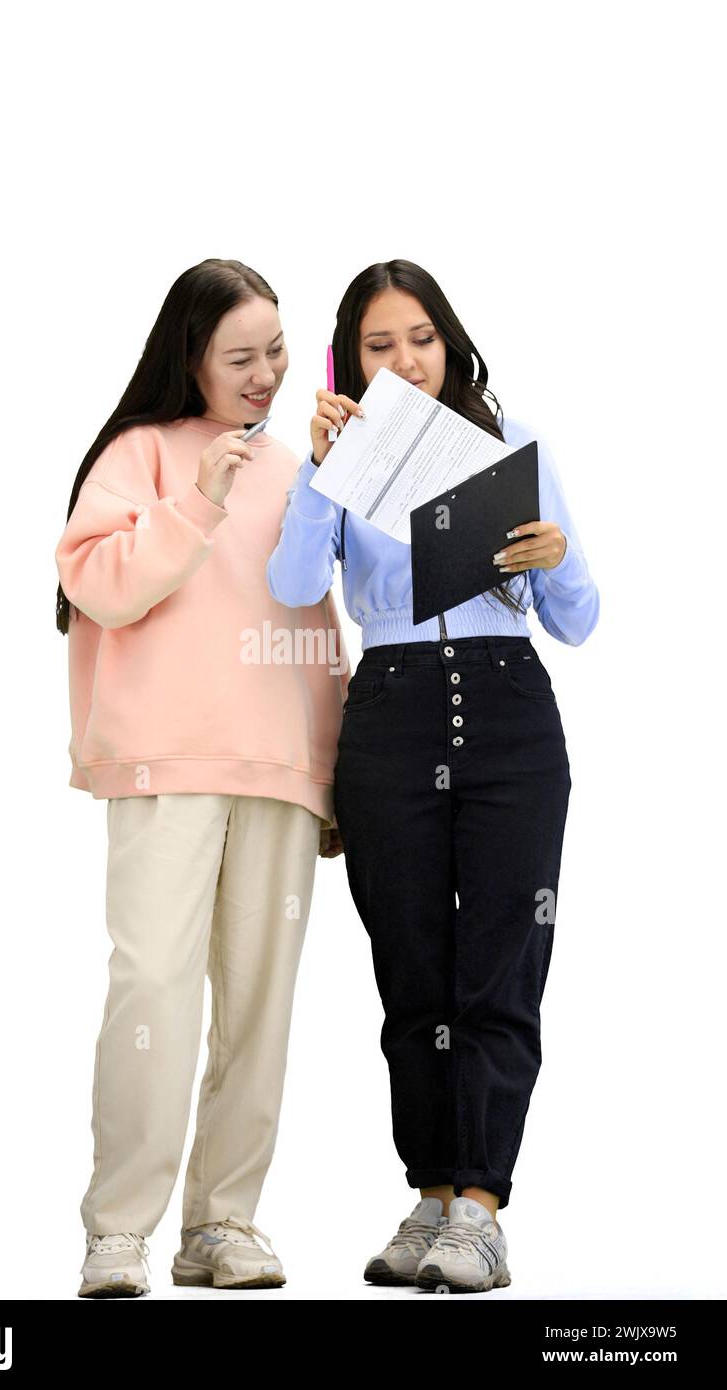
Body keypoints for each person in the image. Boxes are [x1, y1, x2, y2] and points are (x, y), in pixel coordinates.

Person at [266, 258, 599, 1294]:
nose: (402, 358)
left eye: (418, 336)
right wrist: (322, 473)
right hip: (392, 711)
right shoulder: (340, 463)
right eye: (377, 345)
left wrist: (547, 559)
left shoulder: (505, 448)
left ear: (447, 342)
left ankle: (480, 1207)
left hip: (507, 711)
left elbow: (579, 619)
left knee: (500, 960)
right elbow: (287, 584)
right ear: (348, 363)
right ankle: (427, 1190)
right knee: (412, 968)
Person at [54, 259, 348, 1296]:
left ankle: (222, 1222)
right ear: (189, 356)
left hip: (278, 770)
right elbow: (93, 578)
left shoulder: (299, 465)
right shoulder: (138, 452)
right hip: (164, 763)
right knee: (154, 989)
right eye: (240, 356)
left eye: (276, 350)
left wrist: (334, 766)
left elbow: (312, 617)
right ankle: (119, 1230)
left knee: (260, 1004)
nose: (266, 374)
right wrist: (198, 499)